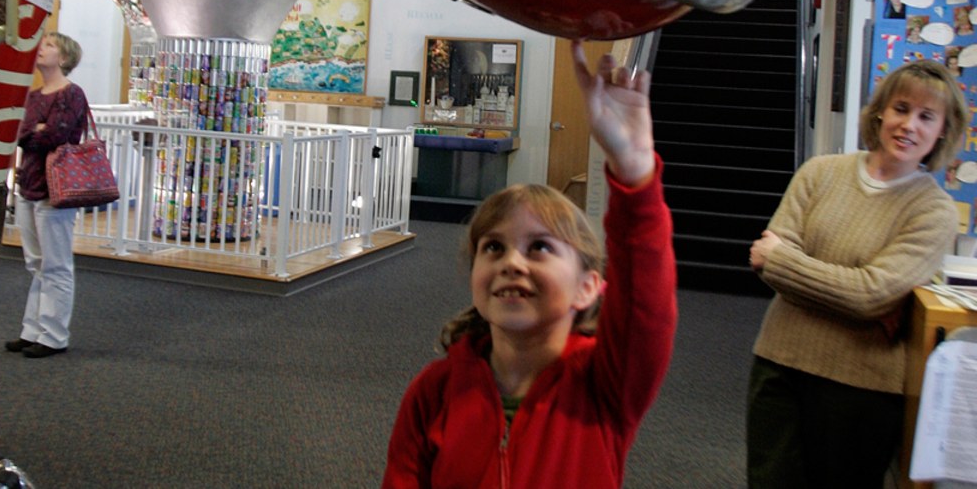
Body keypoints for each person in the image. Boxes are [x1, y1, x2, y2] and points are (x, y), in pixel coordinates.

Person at [382, 42, 677, 489]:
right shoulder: (435, 391)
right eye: (494, 248)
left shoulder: (603, 387)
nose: (512, 262)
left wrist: (634, 172)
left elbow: (646, 307)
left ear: (588, 287)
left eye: (539, 248)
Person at [746, 59, 969, 488]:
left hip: (862, 388)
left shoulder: (934, 210)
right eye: (901, 108)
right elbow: (763, 264)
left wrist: (787, 262)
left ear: (942, 130)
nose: (909, 125)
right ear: (881, 111)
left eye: (926, 117)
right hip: (779, 364)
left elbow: (871, 295)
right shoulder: (820, 172)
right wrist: (851, 291)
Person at [5, 32, 89, 359]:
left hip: (56, 188)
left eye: (50, 46)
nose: (42, 49)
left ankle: (54, 335)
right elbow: (22, 133)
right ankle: (33, 330)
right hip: (29, 182)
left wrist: (34, 132)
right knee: (36, 263)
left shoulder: (72, 94)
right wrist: (33, 130)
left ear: (65, 58)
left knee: (55, 265)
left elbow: (55, 134)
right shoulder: (35, 95)